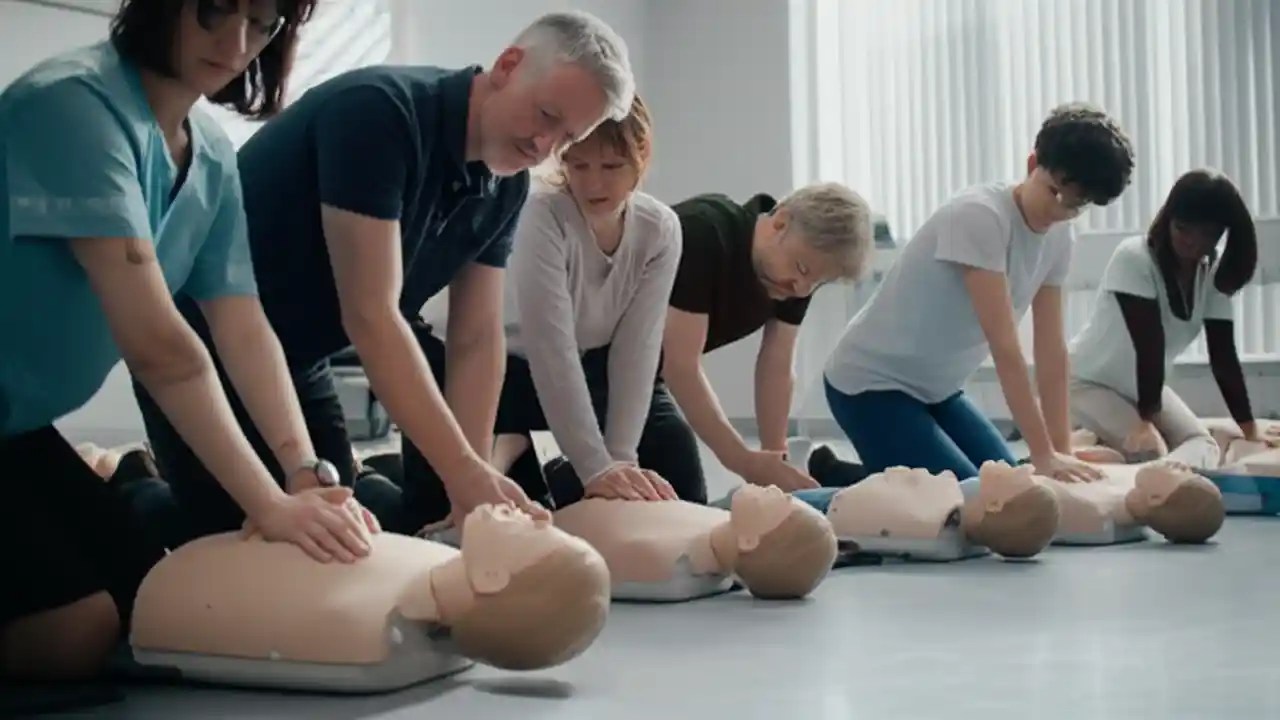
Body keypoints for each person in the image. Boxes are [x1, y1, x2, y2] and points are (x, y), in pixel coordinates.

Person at [130, 10, 635, 538]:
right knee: (243, 539)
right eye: (546, 114)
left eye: (566, 137)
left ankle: (363, 477)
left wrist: (468, 483)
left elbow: (476, 339)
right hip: (201, 348)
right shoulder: (380, 114)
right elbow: (371, 314)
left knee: (355, 530)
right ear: (508, 65)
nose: (544, 145)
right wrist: (462, 472)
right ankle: (133, 484)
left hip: (298, 362)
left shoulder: (506, 187)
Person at [0, 0, 379, 683]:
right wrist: (266, 505)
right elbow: (161, 350)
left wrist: (301, 473)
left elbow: (242, 324)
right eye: (213, 12)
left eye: (262, 25)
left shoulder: (207, 154)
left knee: (148, 595)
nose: (237, 43)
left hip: (18, 426)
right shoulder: (71, 107)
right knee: (74, 633)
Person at [819, 103, 1135, 484]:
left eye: (1076, 205)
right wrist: (1041, 453)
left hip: (938, 390)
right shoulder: (979, 216)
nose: (1059, 210)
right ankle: (840, 483)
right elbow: (1005, 346)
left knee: (1014, 481)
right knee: (977, 500)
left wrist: (1059, 450)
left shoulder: (1060, 237)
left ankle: (854, 470)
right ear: (1032, 163)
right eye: (1054, 192)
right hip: (869, 383)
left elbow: (1052, 350)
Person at [412, 95, 698, 515]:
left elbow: (637, 348)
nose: (593, 184)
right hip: (481, 366)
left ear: (641, 158)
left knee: (677, 477)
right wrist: (596, 468)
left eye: (612, 167)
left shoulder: (660, 228)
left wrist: (619, 457)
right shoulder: (541, 213)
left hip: (581, 367)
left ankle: (525, 448)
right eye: (578, 166)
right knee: (452, 519)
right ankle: (378, 476)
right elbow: (551, 347)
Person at [660, 183, 875, 494]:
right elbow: (680, 365)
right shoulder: (704, 232)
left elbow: (777, 364)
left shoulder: (794, 278)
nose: (801, 288)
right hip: (588, 357)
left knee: (681, 486)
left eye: (816, 282)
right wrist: (744, 461)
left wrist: (775, 460)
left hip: (639, 375)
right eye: (803, 269)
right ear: (780, 223)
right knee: (668, 486)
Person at [1067, 169, 1266, 468]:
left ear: (1222, 232)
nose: (1192, 241)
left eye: (1206, 233)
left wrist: (1249, 428)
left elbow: (1223, 356)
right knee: (1150, 452)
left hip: (1141, 388)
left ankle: (1098, 444)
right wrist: (1146, 420)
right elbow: (1149, 346)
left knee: (1203, 444)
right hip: (1086, 382)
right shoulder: (1134, 258)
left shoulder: (1212, 271)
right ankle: (1083, 446)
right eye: (1183, 227)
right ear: (1168, 219)